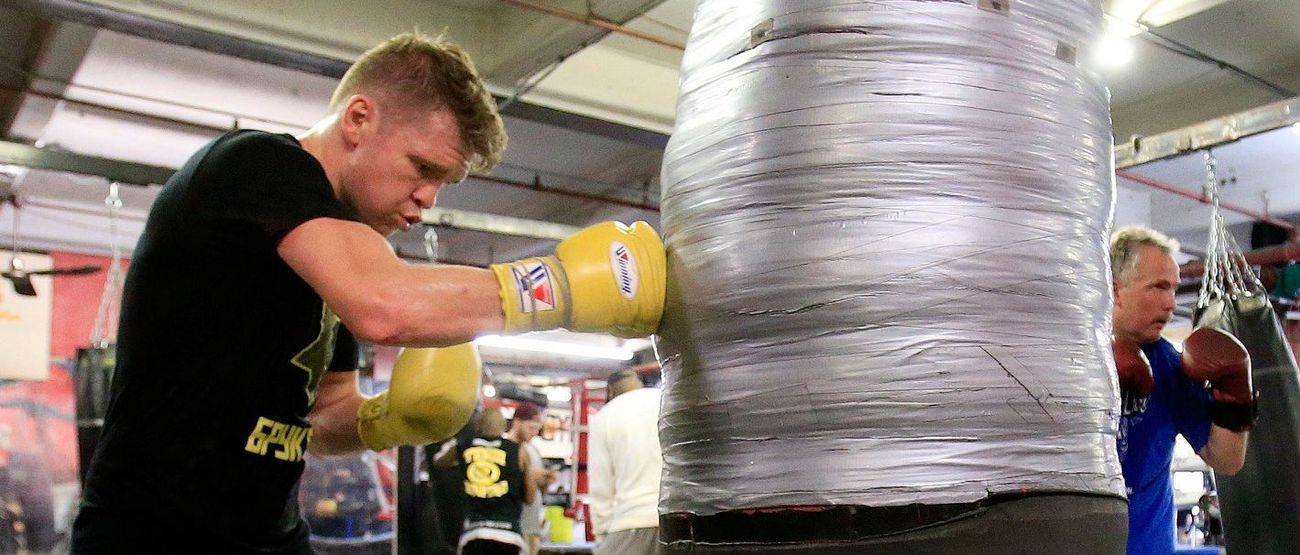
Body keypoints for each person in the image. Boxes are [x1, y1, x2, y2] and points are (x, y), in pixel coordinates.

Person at [71, 32, 665, 554]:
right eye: (422, 168)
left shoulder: (343, 259)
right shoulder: (253, 166)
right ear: (358, 119)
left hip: (270, 534)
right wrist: (560, 286)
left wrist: (391, 419)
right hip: (151, 532)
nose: (430, 198)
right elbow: (387, 309)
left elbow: (324, 418)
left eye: (444, 182)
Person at [1110, 226, 1252, 554]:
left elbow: (1226, 460)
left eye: (1174, 289)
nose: (1171, 304)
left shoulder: (1171, 367)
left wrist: (1236, 393)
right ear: (1116, 290)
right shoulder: (1071, 356)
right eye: (1159, 287)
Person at [588, 370, 662, 555]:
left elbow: (601, 484)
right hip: (680, 521)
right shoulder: (664, 400)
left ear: (610, 391)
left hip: (631, 522)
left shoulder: (605, 416)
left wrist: (602, 534)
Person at [506, 402, 557, 554]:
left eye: (537, 428)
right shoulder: (505, 449)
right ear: (517, 422)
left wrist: (544, 481)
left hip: (532, 525)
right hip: (515, 526)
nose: (535, 433)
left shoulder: (532, 449)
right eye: (531, 428)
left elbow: (536, 489)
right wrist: (530, 476)